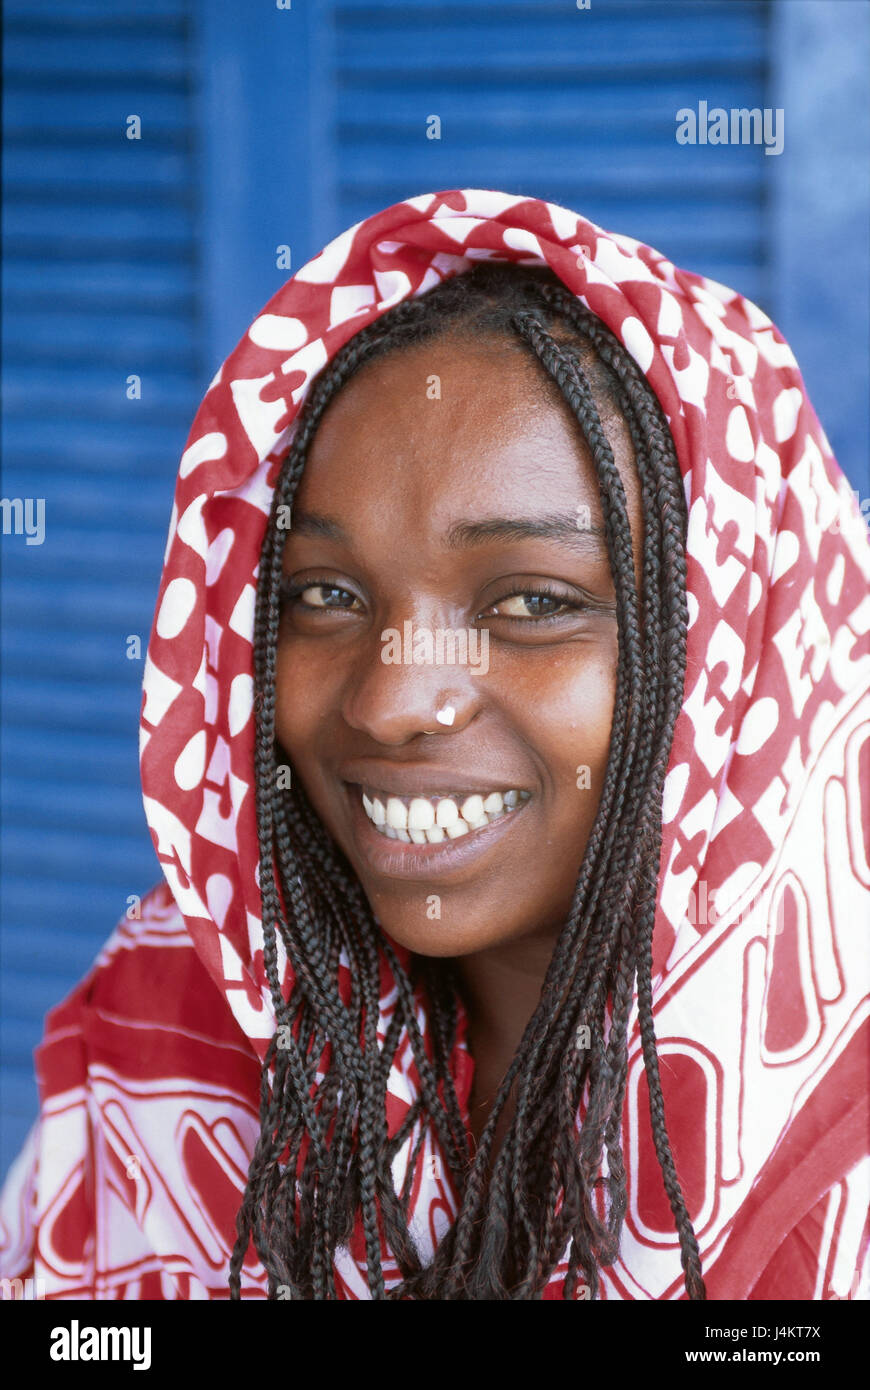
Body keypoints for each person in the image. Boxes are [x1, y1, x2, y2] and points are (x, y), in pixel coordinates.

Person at [1, 189, 867, 1301]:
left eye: (534, 602)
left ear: (743, 652)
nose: (395, 698)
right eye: (323, 592)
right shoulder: (177, 1015)